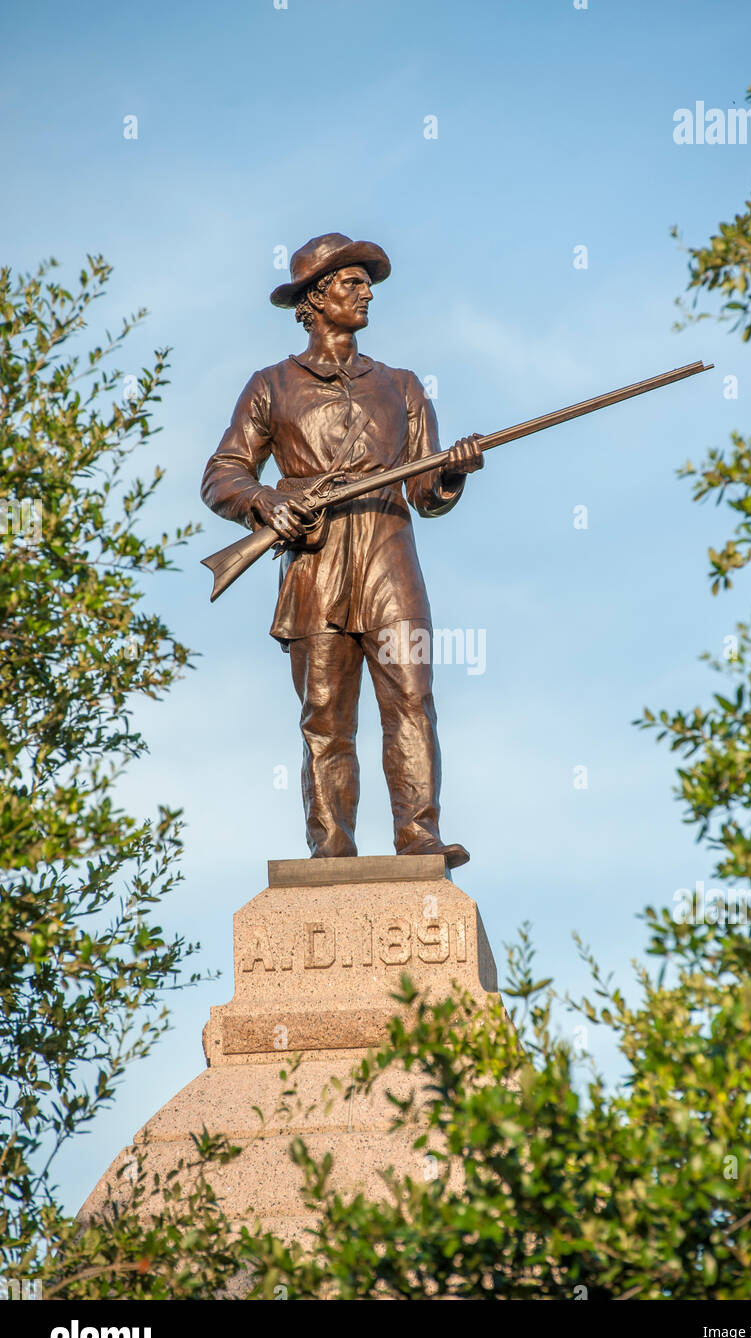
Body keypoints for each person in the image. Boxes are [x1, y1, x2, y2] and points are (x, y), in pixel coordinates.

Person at [201, 233, 483, 868]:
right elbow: (222, 474)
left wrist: (453, 471)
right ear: (316, 298)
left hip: (389, 555)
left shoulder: (403, 387)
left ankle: (420, 837)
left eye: (366, 282)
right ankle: (329, 850)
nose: (366, 293)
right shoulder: (271, 385)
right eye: (352, 283)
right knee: (325, 715)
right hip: (316, 562)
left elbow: (425, 493)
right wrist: (266, 502)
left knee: (412, 694)